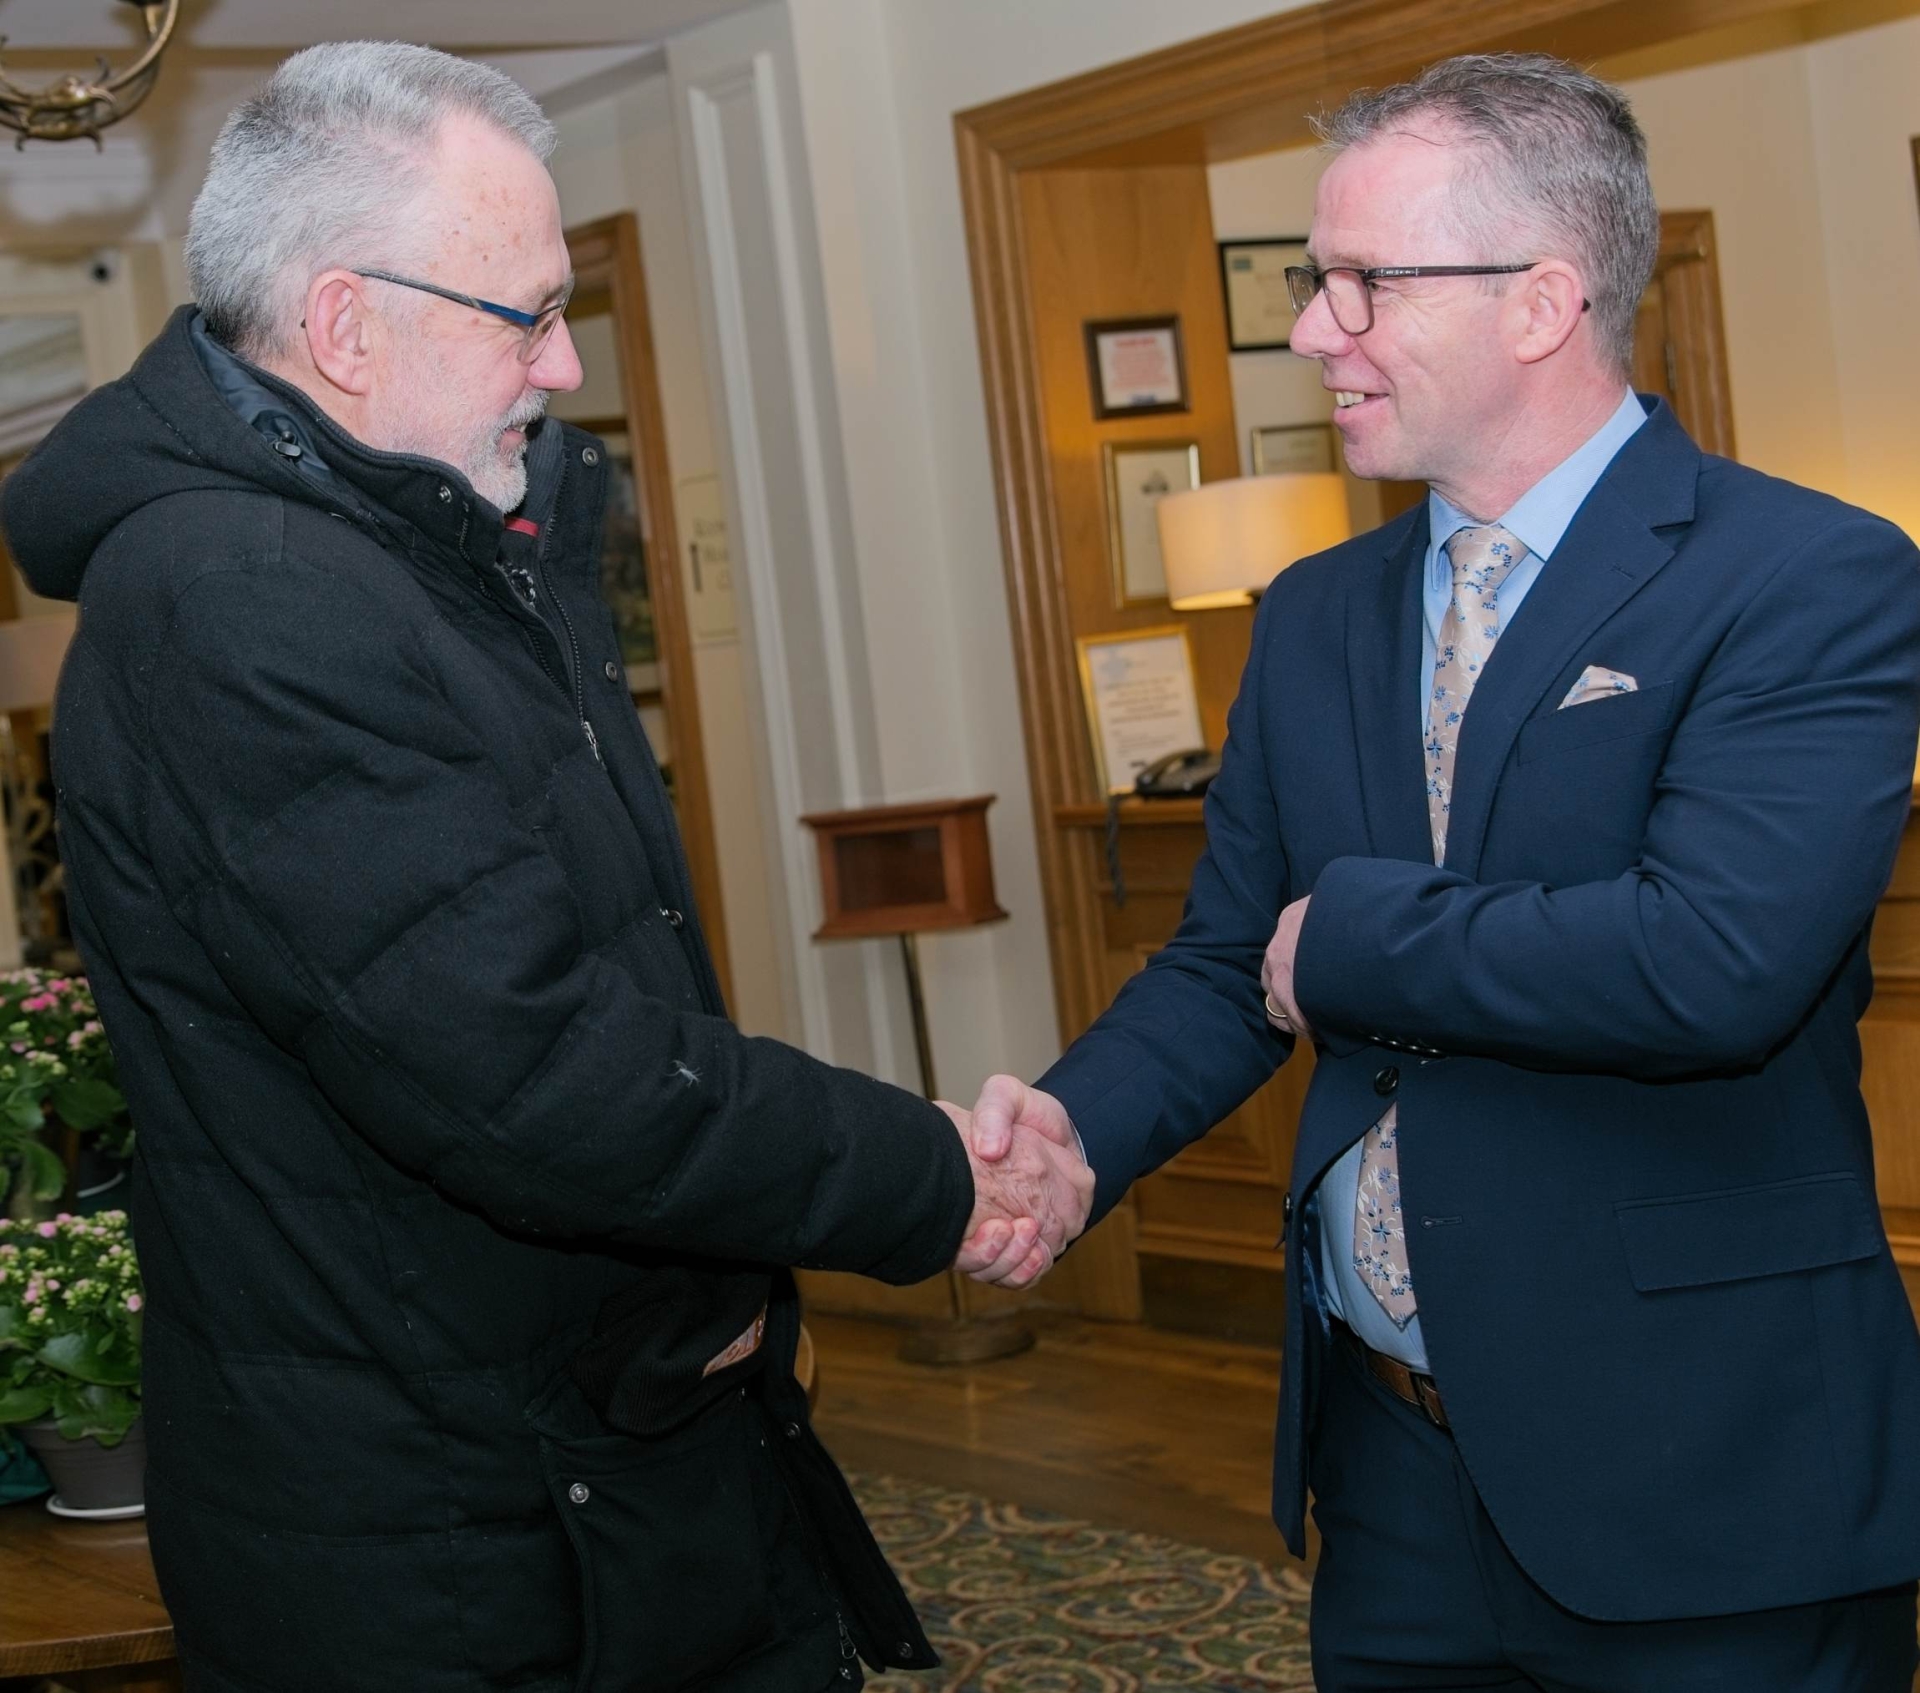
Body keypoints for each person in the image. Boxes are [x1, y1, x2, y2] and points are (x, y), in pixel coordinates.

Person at [1, 43, 1089, 1693]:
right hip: (447, 1537)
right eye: (528, 313)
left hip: (571, 1464)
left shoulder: (422, 542)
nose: (568, 364)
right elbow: (536, 1072)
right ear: (349, 327)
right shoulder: (249, 599)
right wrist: (932, 1173)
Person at [959, 52, 1920, 1691]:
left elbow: (1710, 961)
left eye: (1357, 283)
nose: (1312, 328)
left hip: (1701, 1458)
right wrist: (1071, 1139)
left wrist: (1350, 936)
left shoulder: (1810, 574)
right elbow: (1223, 961)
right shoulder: (1317, 611)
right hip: (1391, 1466)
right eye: (1311, 282)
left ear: (1543, 300)